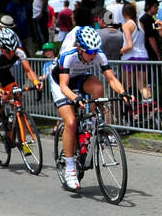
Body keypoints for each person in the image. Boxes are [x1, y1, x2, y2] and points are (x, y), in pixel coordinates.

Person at [48, 25, 131, 190]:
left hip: (79, 78)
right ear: (79, 48)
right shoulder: (68, 57)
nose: (93, 55)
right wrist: (75, 97)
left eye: (95, 52)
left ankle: (93, 125)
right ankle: (70, 168)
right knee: (71, 122)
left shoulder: (98, 54)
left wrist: (123, 93)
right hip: (60, 82)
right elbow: (64, 86)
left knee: (98, 87)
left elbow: (112, 79)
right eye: (89, 52)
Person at [0, 27, 45, 143]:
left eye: (13, 50)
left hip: (4, 72)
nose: (11, 54)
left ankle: (21, 137)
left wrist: (36, 81)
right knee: (0, 96)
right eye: (7, 51)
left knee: (18, 95)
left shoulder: (18, 51)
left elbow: (29, 71)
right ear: (1, 47)